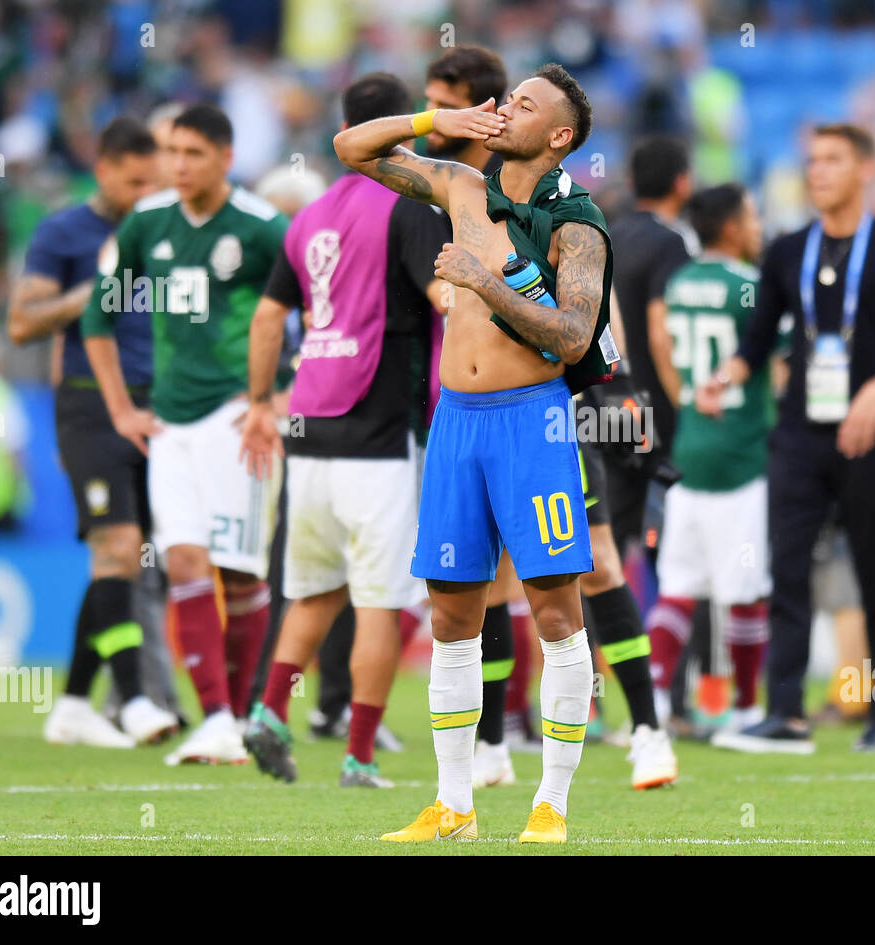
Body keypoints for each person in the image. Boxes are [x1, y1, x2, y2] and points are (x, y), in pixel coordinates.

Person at [334, 63, 616, 843]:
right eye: (508, 97)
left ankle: (551, 804)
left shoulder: (578, 223)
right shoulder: (462, 184)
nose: (506, 108)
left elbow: (573, 336)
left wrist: (482, 282)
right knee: (451, 612)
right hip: (456, 421)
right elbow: (350, 147)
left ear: (558, 136)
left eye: (525, 104)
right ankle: (454, 803)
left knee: (557, 611)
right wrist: (436, 121)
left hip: (533, 422)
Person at [701, 124, 875, 754]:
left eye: (833, 160)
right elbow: (759, 338)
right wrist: (727, 376)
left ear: (866, 168)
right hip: (800, 435)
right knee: (789, 570)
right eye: (811, 161)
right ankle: (786, 714)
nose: (817, 172)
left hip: (870, 435)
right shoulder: (787, 250)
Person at [240, 72, 449, 788]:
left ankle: (269, 712)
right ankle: (359, 754)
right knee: (379, 601)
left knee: (314, 591)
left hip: (310, 423)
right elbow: (443, 293)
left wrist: (261, 402)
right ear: (401, 126)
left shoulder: (308, 214)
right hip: (380, 427)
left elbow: (269, 317)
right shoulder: (406, 202)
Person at [82, 104, 289, 766]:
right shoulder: (146, 224)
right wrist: (120, 410)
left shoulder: (261, 228)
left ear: (225, 158)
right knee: (184, 564)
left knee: (239, 574)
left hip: (236, 419)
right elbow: (97, 320)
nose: (177, 164)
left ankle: (248, 711)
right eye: (172, 151)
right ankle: (218, 718)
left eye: (193, 153)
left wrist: (281, 398)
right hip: (169, 424)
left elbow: (327, 307)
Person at [8, 117, 177, 749]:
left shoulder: (162, 230)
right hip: (89, 404)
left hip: (157, 409)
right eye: (134, 181)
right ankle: (131, 701)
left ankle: (76, 702)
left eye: (152, 182)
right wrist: (94, 294)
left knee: (124, 561)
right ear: (102, 168)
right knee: (120, 544)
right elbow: (22, 322)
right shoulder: (64, 232)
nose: (143, 194)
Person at [638, 184, 771, 739]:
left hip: (689, 447)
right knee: (742, 591)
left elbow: (662, 349)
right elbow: (781, 369)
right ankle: (745, 709)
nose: (759, 225)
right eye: (753, 214)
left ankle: (655, 708)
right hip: (741, 452)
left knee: (676, 588)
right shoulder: (753, 287)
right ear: (734, 228)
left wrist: (687, 399)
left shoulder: (681, 282)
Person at [606, 135, 697, 555]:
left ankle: (607, 623)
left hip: (607, 401)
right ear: (683, 184)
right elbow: (663, 333)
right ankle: (669, 621)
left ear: (630, 181)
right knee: (668, 535)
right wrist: (683, 402)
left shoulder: (604, 235)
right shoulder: (672, 243)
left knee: (613, 531)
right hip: (656, 408)